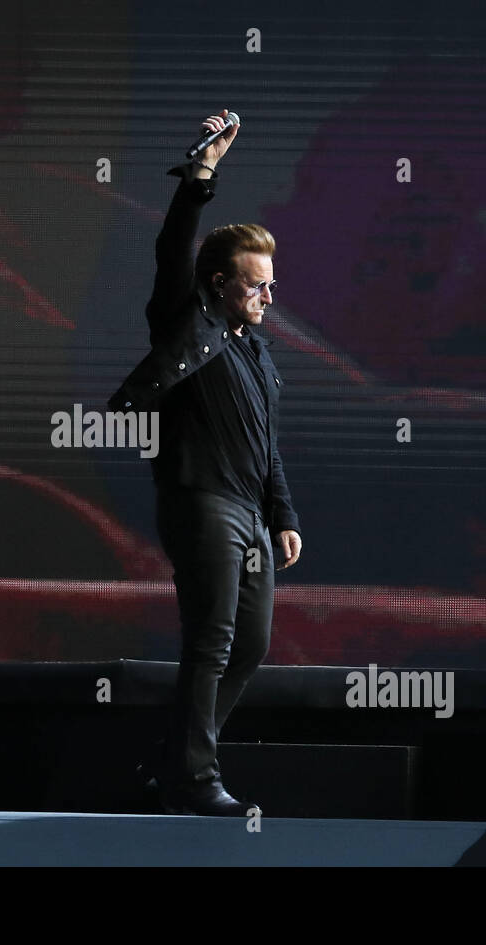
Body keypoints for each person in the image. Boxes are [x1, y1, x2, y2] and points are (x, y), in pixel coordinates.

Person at [110, 110, 303, 815]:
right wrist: (201, 175)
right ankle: (194, 778)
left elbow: (266, 441)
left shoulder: (257, 352)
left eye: (270, 285)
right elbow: (172, 251)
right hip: (200, 501)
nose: (267, 297)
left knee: (250, 646)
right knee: (213, 639)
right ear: (220, 284)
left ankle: (179, 762)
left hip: (250, 512)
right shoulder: (187, 324)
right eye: (256, 286)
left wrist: (281, 513)